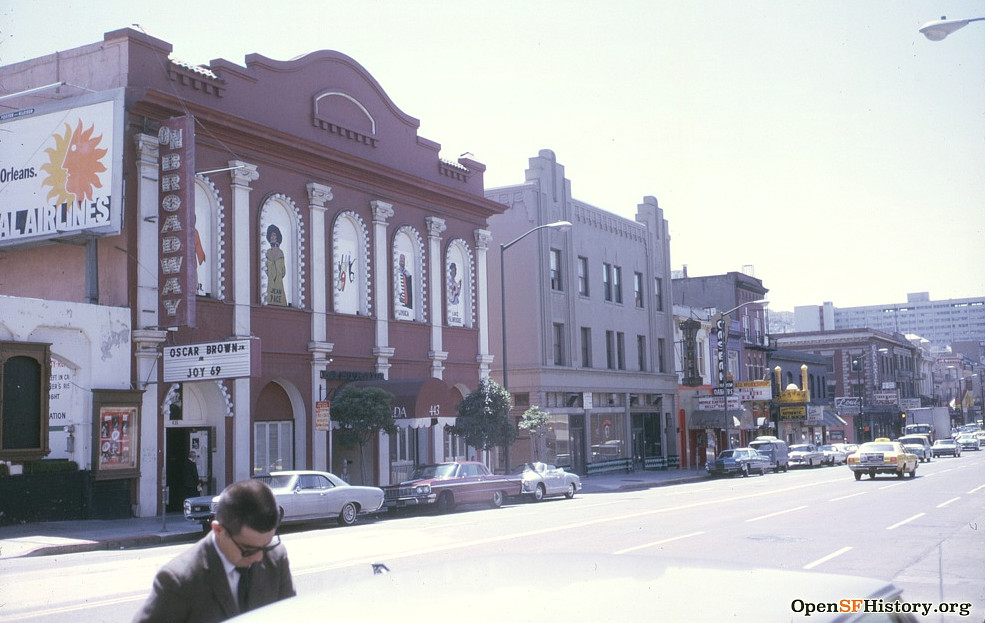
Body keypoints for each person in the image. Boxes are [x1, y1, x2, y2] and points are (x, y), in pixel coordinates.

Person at [132, 479, 296, 623]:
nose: (259, 557)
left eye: (267, 544)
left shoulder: (276, 557)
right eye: (248, 549)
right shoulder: (178, 580)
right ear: (218, 530)